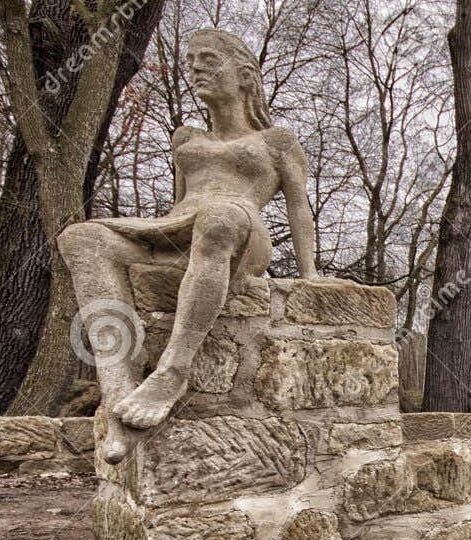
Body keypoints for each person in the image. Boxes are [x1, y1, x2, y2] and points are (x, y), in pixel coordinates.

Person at [58, 28, 317, 461]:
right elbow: (178, 204)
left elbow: (299, 208)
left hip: (241, 229)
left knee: (217, 218)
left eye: (209, 59)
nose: (195, 68)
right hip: (181, 227)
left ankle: (173, 370)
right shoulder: (186, 138)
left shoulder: (276, 141)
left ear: (245, 76)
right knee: (81, 238)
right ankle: (119, 390)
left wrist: (309, 274)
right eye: (191, 60)